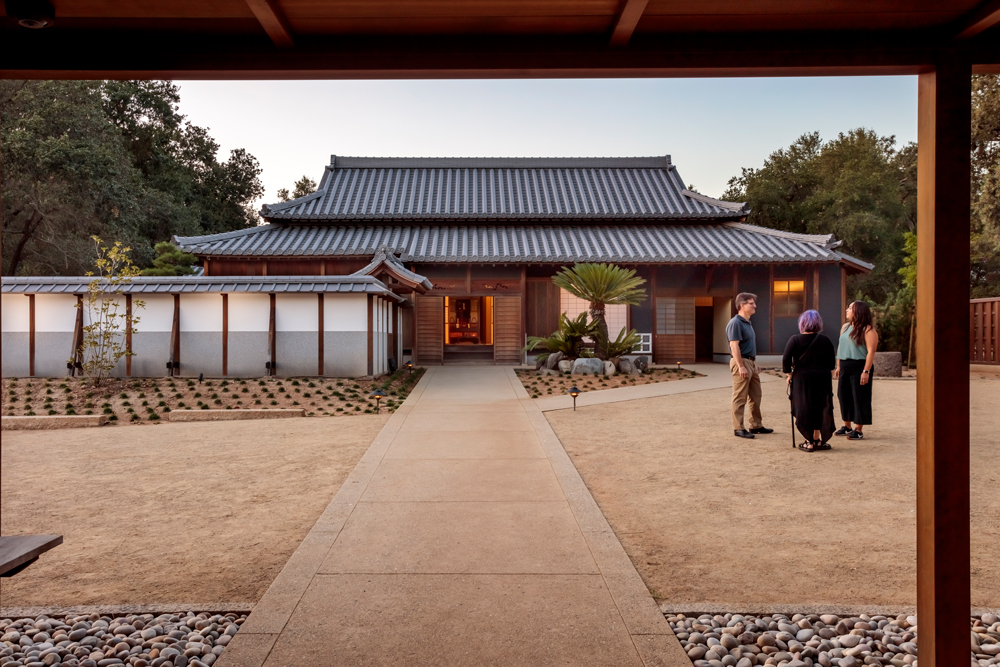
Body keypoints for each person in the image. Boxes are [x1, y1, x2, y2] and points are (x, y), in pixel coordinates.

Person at [783, 310, 836, 452]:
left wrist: (789, 375)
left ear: (802, 323)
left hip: (802, 378)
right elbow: (831, 363)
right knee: (820, 406)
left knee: (804, 406)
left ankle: (808, 441)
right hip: (822, 377)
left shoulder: (795, 339)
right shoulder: (826, 340)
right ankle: (817, 439)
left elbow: (786, 360)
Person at [727, 292, 773, 439]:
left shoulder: (748, 323)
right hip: (741, 362)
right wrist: (741, 366)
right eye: (751, 303)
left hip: (750, 362)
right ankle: (738, 428)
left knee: (756, 395)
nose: (755, 306)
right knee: (740, 396)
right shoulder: (735, 323)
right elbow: (734, 346)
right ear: (742, 305)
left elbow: (747, 346)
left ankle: (756, 425)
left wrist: (754, 364)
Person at [835, 300, 879, 440]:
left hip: (860, 366)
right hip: (845, 365)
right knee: (843, 395)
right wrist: (839, 365)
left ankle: (858, 429)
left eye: (850, 308)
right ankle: (846, 426)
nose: (847, 310)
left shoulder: (868, 330)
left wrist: (866, 371)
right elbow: (840, 347)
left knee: (859, 397)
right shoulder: (845, 327)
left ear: (858, 312)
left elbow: (871, 352)